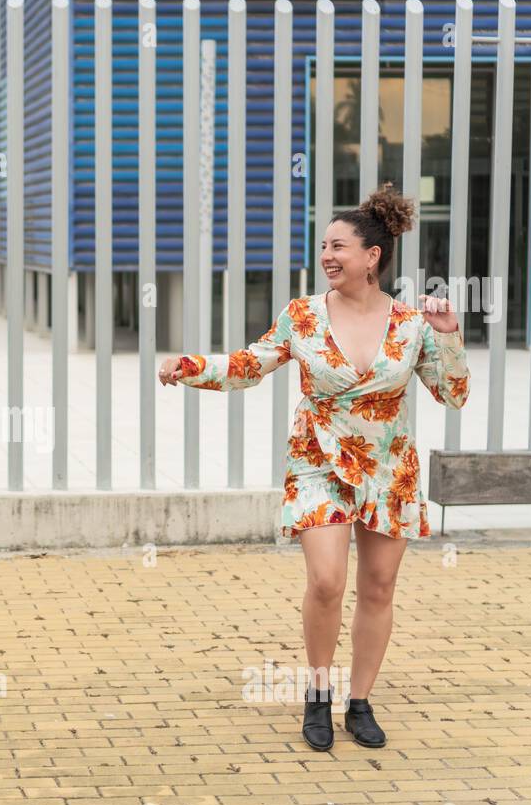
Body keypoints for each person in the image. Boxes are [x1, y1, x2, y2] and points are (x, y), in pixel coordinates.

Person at [158, 183, 469, 752]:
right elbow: (253, 363)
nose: (327, 256)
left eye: (338, 246)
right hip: (318, 460)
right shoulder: (302, 315)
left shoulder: (411, 323)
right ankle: (318, 694)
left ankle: (360, 701)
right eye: (323, 246)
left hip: (388, 468)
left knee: (378, 588)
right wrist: (192, 365)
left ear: (372, 256)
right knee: (327, 582)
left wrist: (450, 339)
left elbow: (452, 395)